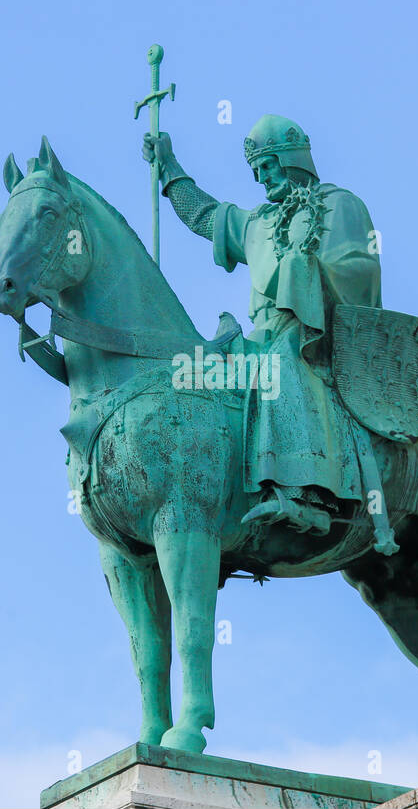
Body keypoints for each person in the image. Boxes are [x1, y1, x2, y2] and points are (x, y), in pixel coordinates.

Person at [142, 114, 382, 535]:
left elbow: (362, 272)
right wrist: (169, 168)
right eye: (255, 171)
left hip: (320, 335)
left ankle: (307, 494)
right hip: (263, 332)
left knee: (283, 365)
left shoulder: (340, 204)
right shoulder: (260, 222)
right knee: (203, 371)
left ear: (294, 160)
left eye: (267, 166)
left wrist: (309, 274)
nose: (261, 178)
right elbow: (205, 216)